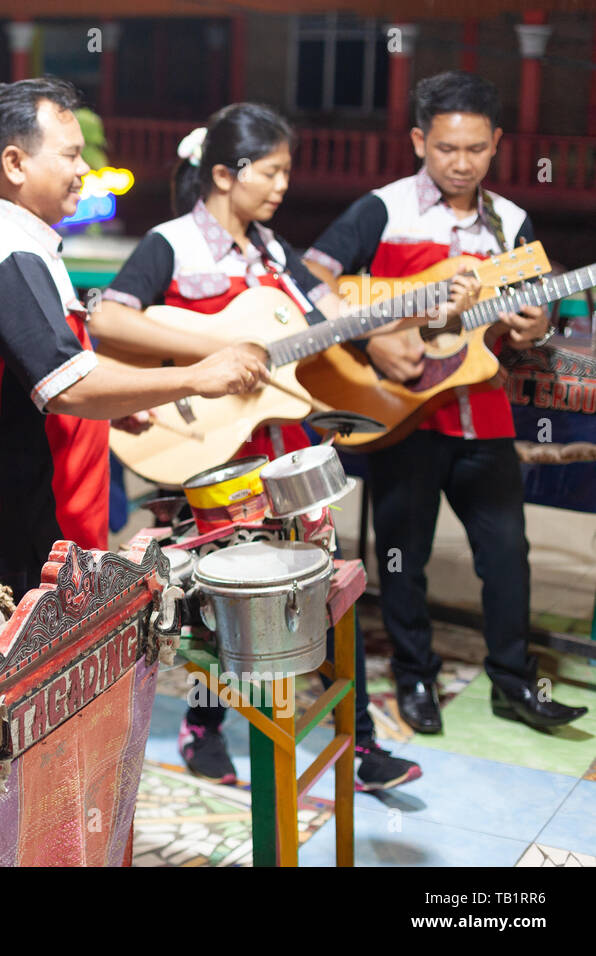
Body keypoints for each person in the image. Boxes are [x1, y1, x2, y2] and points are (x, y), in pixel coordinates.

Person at [91, 103, 476, 792]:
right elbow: (109, 316)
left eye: (285, 173)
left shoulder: (273, 250)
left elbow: (329, 316)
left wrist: (413, 306)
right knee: (214, 596)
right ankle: (201, 728)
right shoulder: (170, 243)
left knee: (325, 582)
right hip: (205, 452)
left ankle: (355, 742)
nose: (281, 187)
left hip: (282, 451)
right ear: (222, 173)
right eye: (270, 172)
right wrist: (218, 350)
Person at [303, 71, 587, 734]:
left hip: (483, 409)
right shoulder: (383, 208)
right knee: (405, 553)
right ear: (418, 141)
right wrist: (375, 338)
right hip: (404, 409)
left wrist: (533, 326)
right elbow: (310, 280)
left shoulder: (510, 222)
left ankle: (514, 683)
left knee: (507, 551)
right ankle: (415, 678)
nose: (462, 163)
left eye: (476, 150)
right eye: (447, 149)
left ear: (497, 146)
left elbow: (537, 312)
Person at [0, 77, 269, 600]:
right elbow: (65, 387)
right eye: (70, 155)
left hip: (49, 535)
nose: (84, 170)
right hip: (20, 546)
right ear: (16, 164)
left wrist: (116, 404)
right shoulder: (6, 256)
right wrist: (196, 378)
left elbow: (53, 370)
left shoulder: (22, 245)